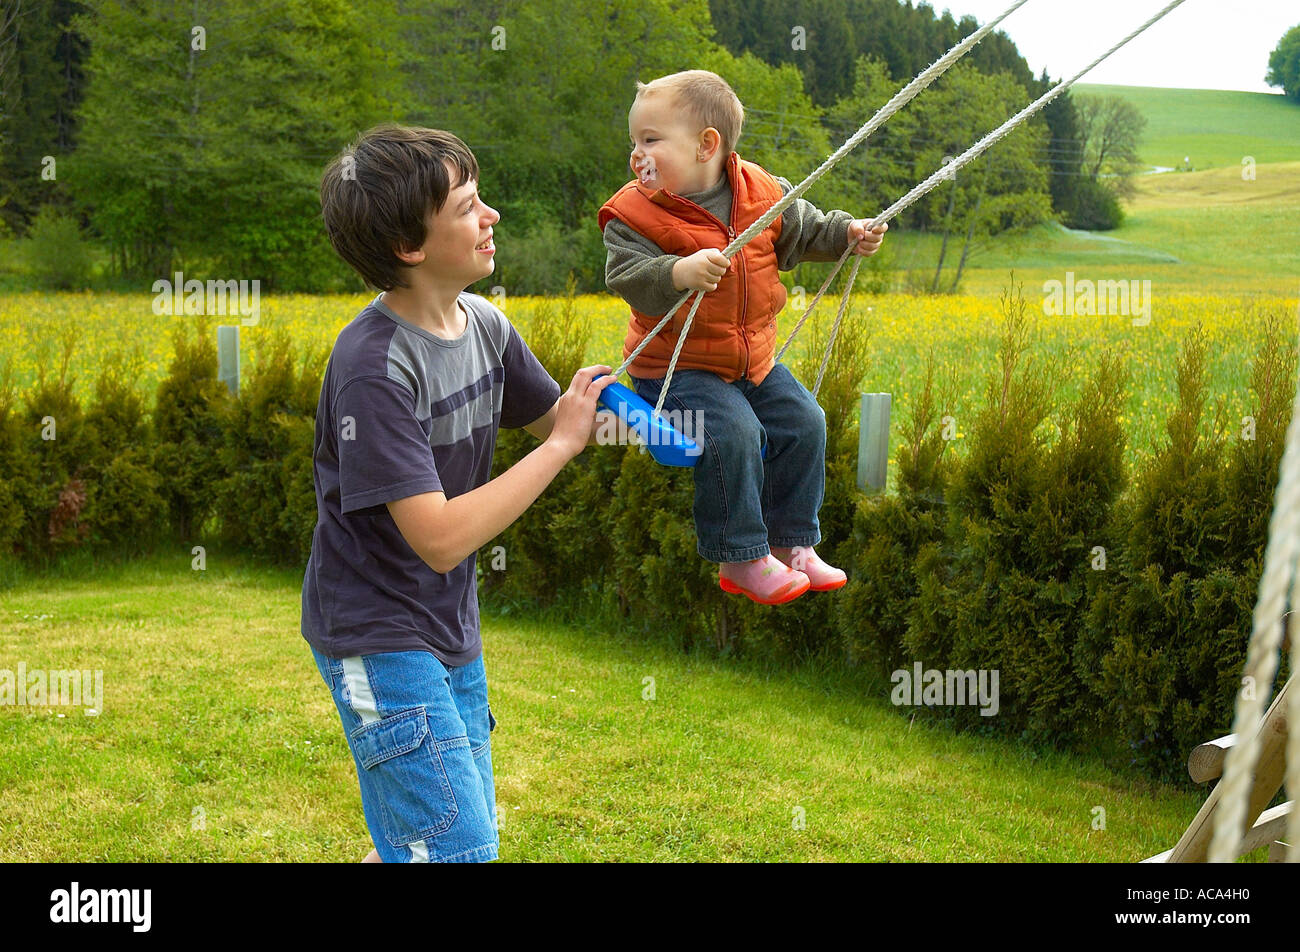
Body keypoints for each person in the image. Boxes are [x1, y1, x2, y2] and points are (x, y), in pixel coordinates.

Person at [304, 124, 615, 862]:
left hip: (449, 630)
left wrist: (692, 406)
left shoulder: (486, 326)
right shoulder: (374, 367)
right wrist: (565, 442)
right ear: (411, 247)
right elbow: (439, 537)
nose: (492, 216)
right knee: (457, 849)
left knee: (437, 842)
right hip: (377, 635)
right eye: (470, 206)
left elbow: (574, 423)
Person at [600, 70, 887, 606]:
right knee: (733, 432)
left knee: (805, 422)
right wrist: (678, 272)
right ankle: (741, 556)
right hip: (675, 370)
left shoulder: (762, 191)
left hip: (750, 361)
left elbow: (806, 229)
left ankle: (793, 544)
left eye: (651, 140)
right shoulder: (633, 212)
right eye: (634, 141)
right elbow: (625, 276)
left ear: (707, 144)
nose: (637, 155)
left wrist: (848, 233)